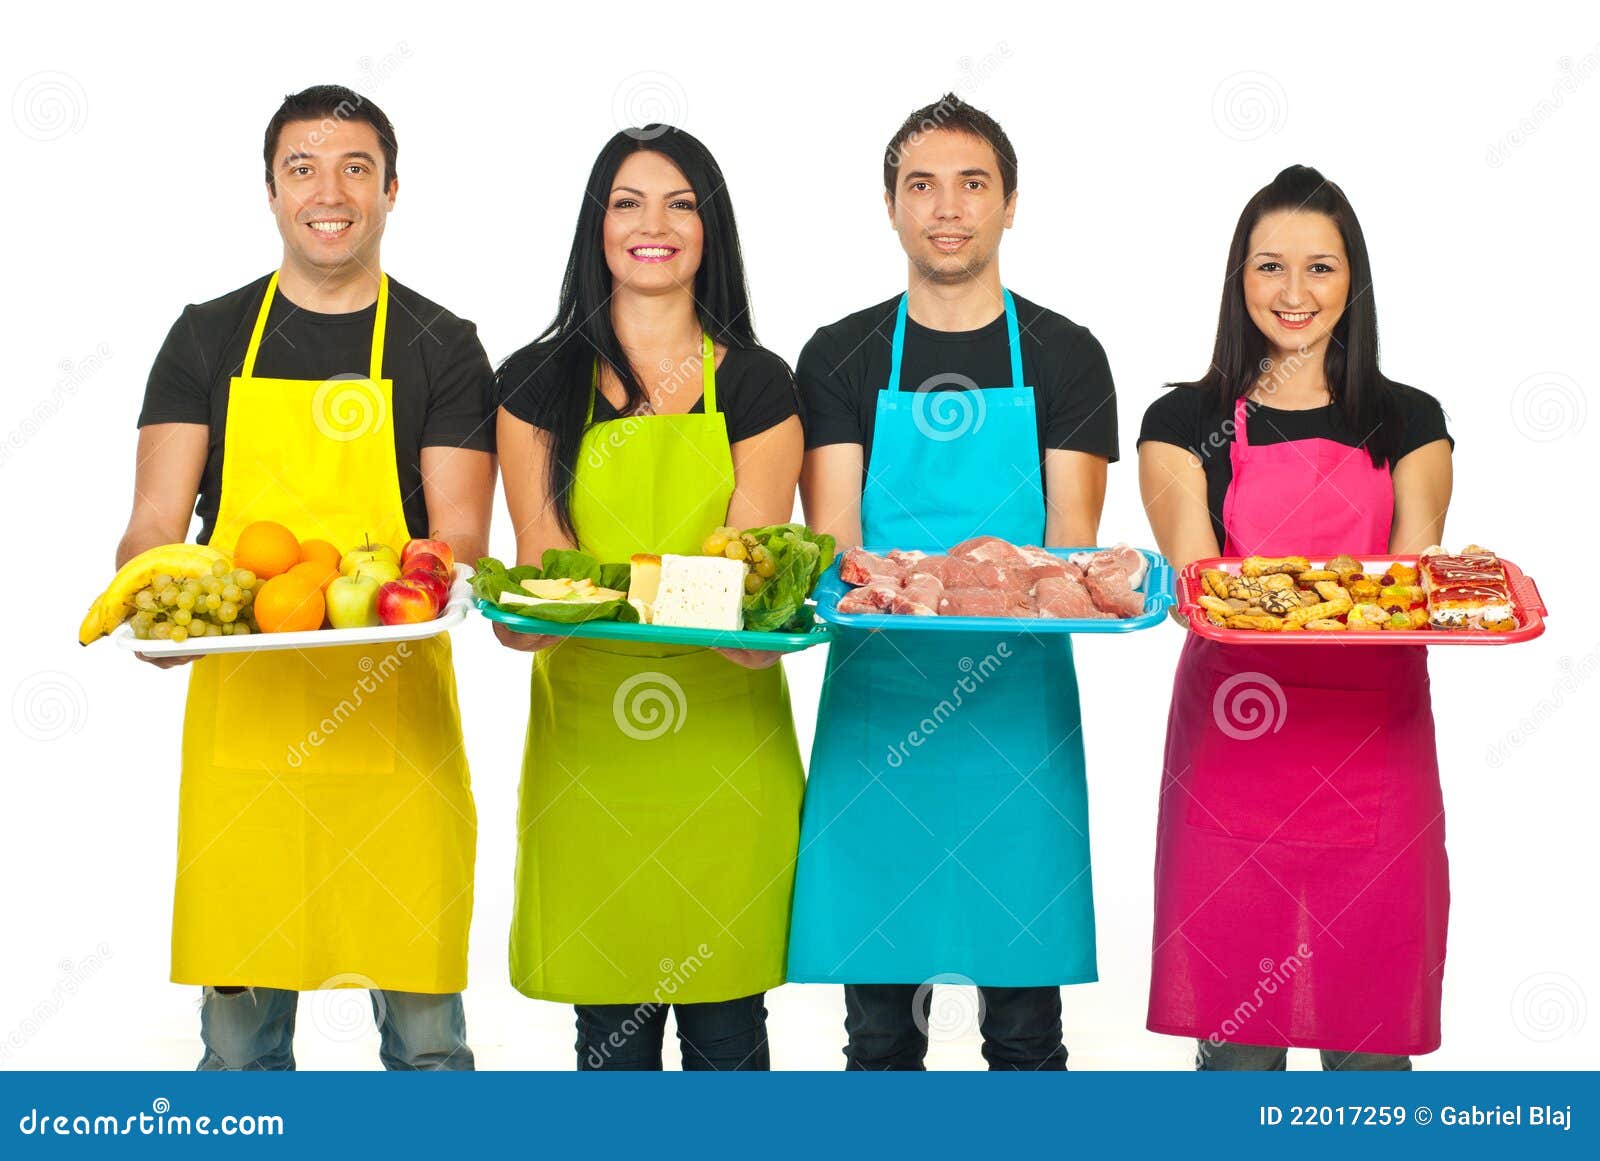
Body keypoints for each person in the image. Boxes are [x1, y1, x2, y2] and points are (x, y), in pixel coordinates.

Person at [122, 85, 494, 1069]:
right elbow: (156, 524)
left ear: (392, 189)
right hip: (247, 734)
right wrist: (150, 606)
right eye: (303, 168)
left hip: (393, 711)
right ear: (272, 191)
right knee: (240, 1063)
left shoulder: (441, 345)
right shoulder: (207, 335)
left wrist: (409, 587)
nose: (329, 192)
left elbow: (457, 536)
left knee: (428, 1055)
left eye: (354, 168)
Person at [787, 94, 1118, 1070]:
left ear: (1009, 204)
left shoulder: (1066, 354)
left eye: (972, 184)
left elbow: (1070, 554)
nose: (946, 207)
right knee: (880, 1028)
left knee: (1024, 1026)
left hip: (1016, 712)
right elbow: (839, 544)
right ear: (889, 206)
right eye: (920, 185)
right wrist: (922, 588)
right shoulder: (839, 353)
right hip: (878, 708)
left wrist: (947, 585)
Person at [494, 125, 805, 1071]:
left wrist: (615, 590)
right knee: (608, 1036)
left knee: (727, 1028)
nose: (652, 225)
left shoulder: (757, 384)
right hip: (593, 754)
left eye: (679, 203)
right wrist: (538, 611)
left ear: (710, 228)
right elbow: (538, 591)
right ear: (597, 227)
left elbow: (754, 580)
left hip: (725, 747)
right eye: (627, 202)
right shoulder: (533, 384)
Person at [1138, 164, 1454, 1070]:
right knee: (1236, 1059)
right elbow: (1201, 583)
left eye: (1321, 267)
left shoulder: (1409, 421)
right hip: (1236, 762)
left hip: (1375, 762)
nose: (1295, 292)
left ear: (1353, 280)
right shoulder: (1183, 421)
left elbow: (1414, 572)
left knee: (1371, 1061)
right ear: (1239, 279)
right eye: (1270, 266)